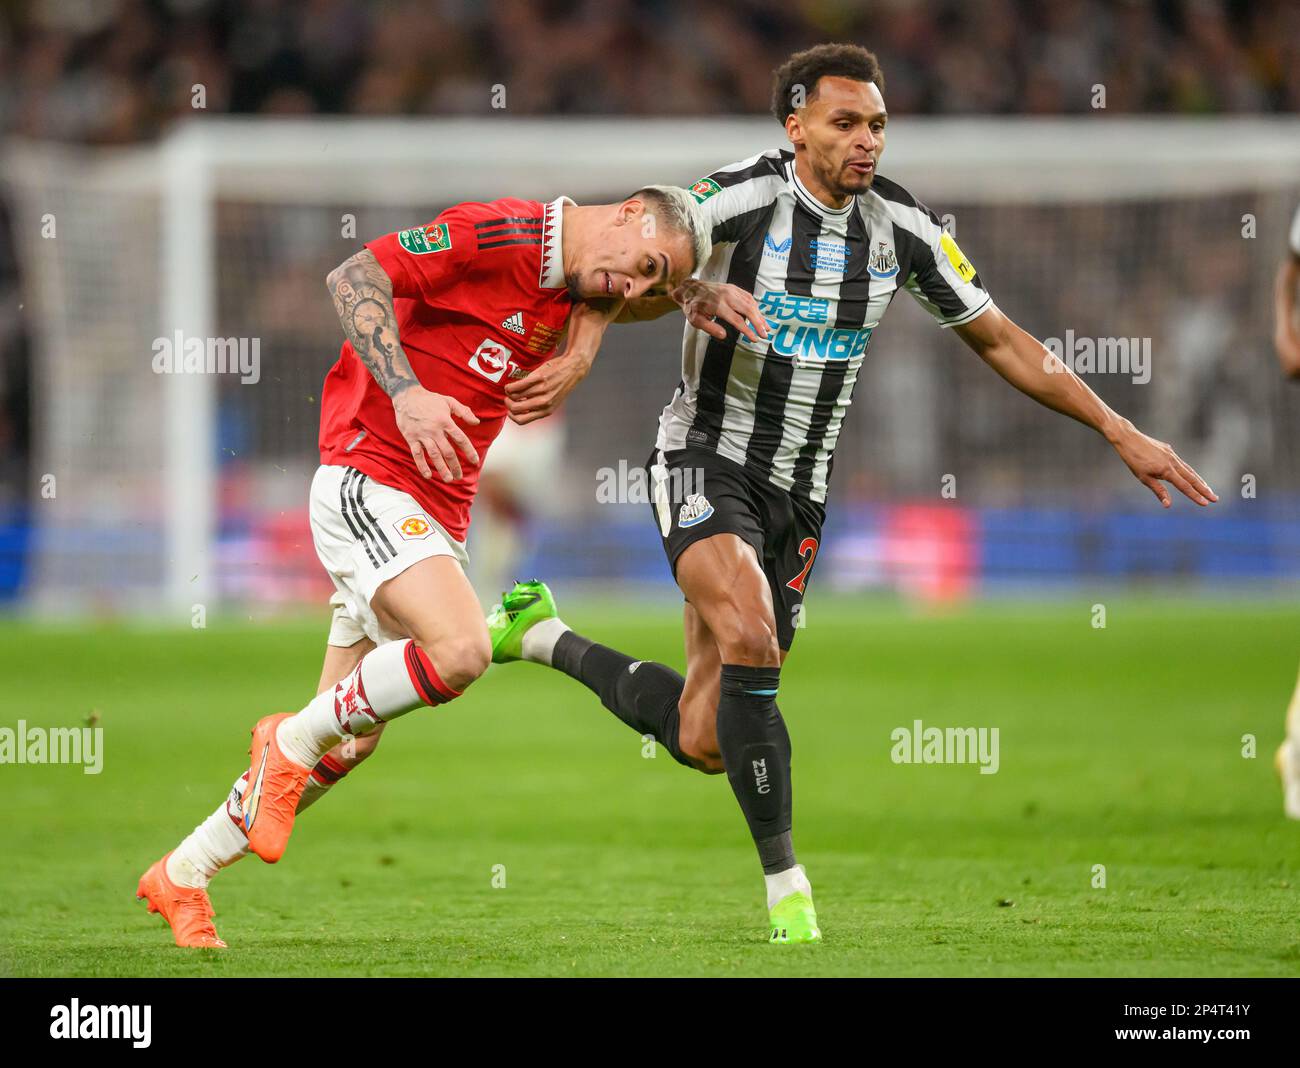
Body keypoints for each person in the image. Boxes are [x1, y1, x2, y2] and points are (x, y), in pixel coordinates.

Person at [487, 42, 1218, 944]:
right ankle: (787, 888)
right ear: (795, 127)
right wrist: (601, 339)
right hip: (705, 457)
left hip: (801, 492)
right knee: (750, 632)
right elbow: (632, 249)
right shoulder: (741, 196)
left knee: (708, 737)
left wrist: (1118, 428)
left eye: (876, 124)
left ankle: (540, 633)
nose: (866, 140)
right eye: (845, 123)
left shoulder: (903, 229)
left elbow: (1002, 340)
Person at [136, 186, 709, 947]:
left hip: (432, 514)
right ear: (630, 211)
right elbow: (352, 278)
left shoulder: (581, 281)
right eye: (642, 268)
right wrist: (405, 395)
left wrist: (604, 331)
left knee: (351, 741)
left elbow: (621, 288)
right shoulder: (499, 234)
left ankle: (184, 872)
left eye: (652, 285)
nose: (634, 289)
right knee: (462, 649)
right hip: (369, 478)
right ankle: (287, 740)